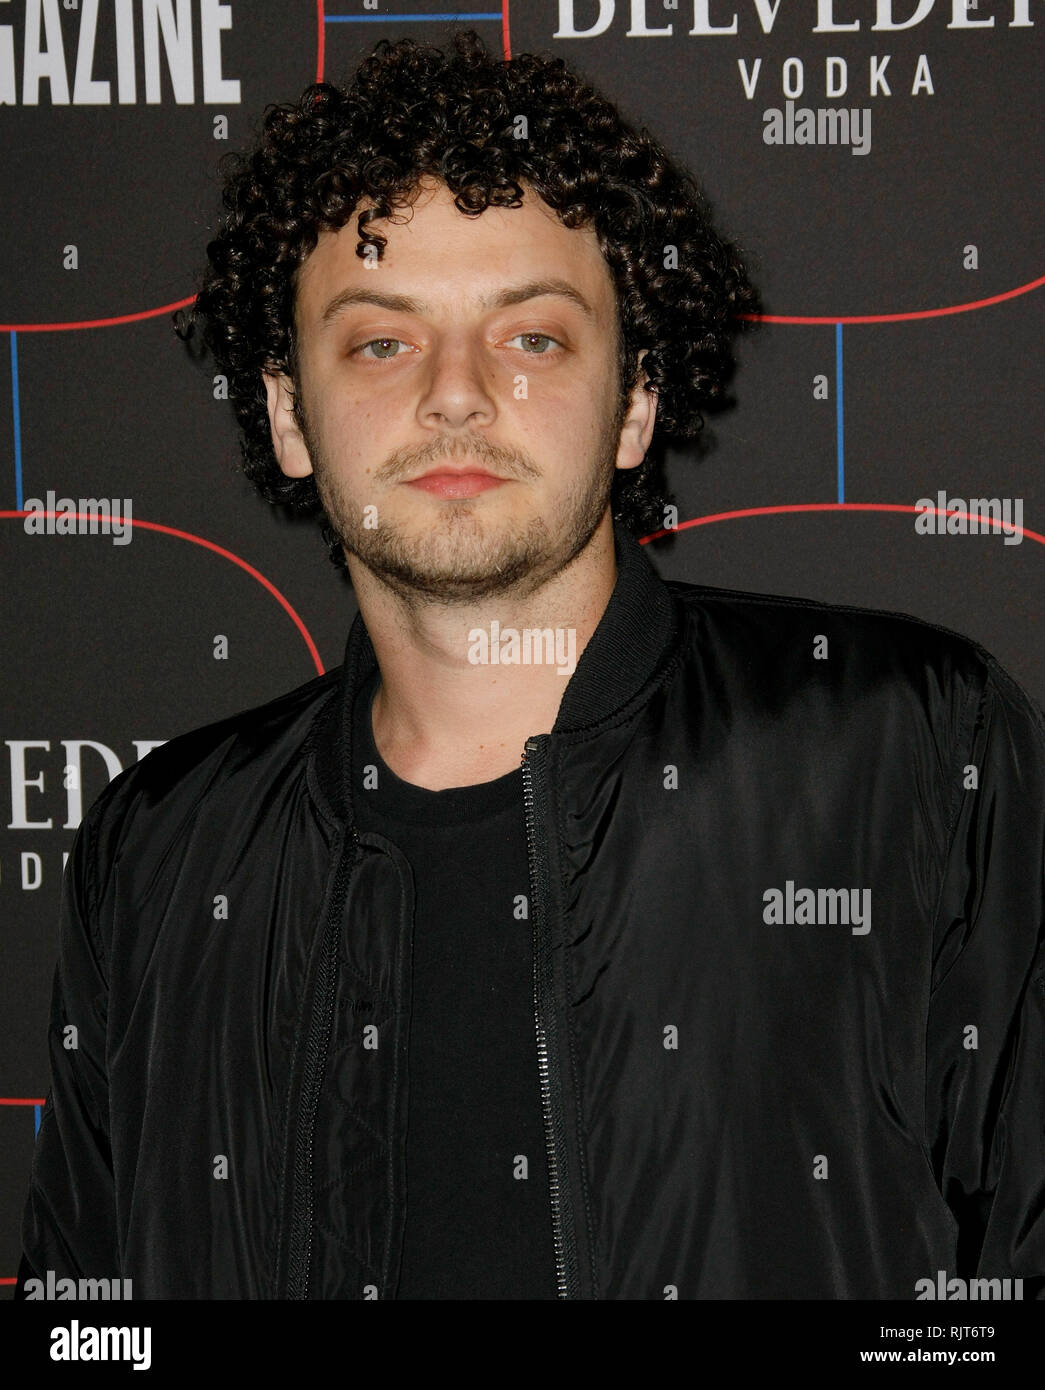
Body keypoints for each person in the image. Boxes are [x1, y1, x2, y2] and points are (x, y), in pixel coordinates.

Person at [17, 29, 1045, 1301]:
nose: (456, 394)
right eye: (382, 342)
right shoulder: (161, 851)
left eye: (533, 338)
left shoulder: (907, 747)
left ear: (632, 404)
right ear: (289, 414)